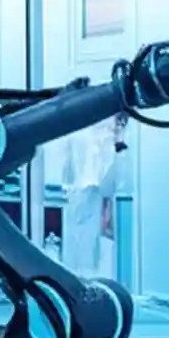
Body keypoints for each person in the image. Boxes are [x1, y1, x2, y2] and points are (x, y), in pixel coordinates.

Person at [62, 114, 127, 277]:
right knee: (86, 239)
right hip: (89, 187)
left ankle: (79, 273)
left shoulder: (82, 132)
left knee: (83, 238)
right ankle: (83, 274)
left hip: (84, 188)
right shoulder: (94, 136)